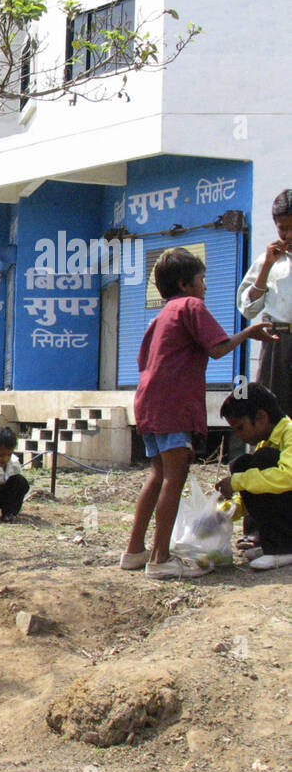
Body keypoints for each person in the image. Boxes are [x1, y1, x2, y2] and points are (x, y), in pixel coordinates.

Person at [122, 249, 276, 579]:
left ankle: (134, 551)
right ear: (185, 284)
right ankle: (160, 558)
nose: (205, 287)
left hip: (148, 402)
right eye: (202, 280)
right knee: (174, 478)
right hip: (173, 404)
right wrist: (248, 332)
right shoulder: (191, 306)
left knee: (158, 475)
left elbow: (143, 362)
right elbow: (217, 349)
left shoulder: (160, 316)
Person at [216, 383, 292, 571]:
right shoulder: (266, 442)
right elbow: (253, 492)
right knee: (244, 466)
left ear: (261, 417)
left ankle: (283, 548)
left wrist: (236, 482)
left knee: (261, 462)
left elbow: (287, 477)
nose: (239, 435)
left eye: (240, 427)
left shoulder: (290, 433)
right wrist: (224, 513)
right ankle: (274, 544)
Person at [237, 190, 292, 413]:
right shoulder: (267, 261)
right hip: (278, 345)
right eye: (283, 228)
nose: (288, 235)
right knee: (273, 415)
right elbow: (248, 309)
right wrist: (267, 267)